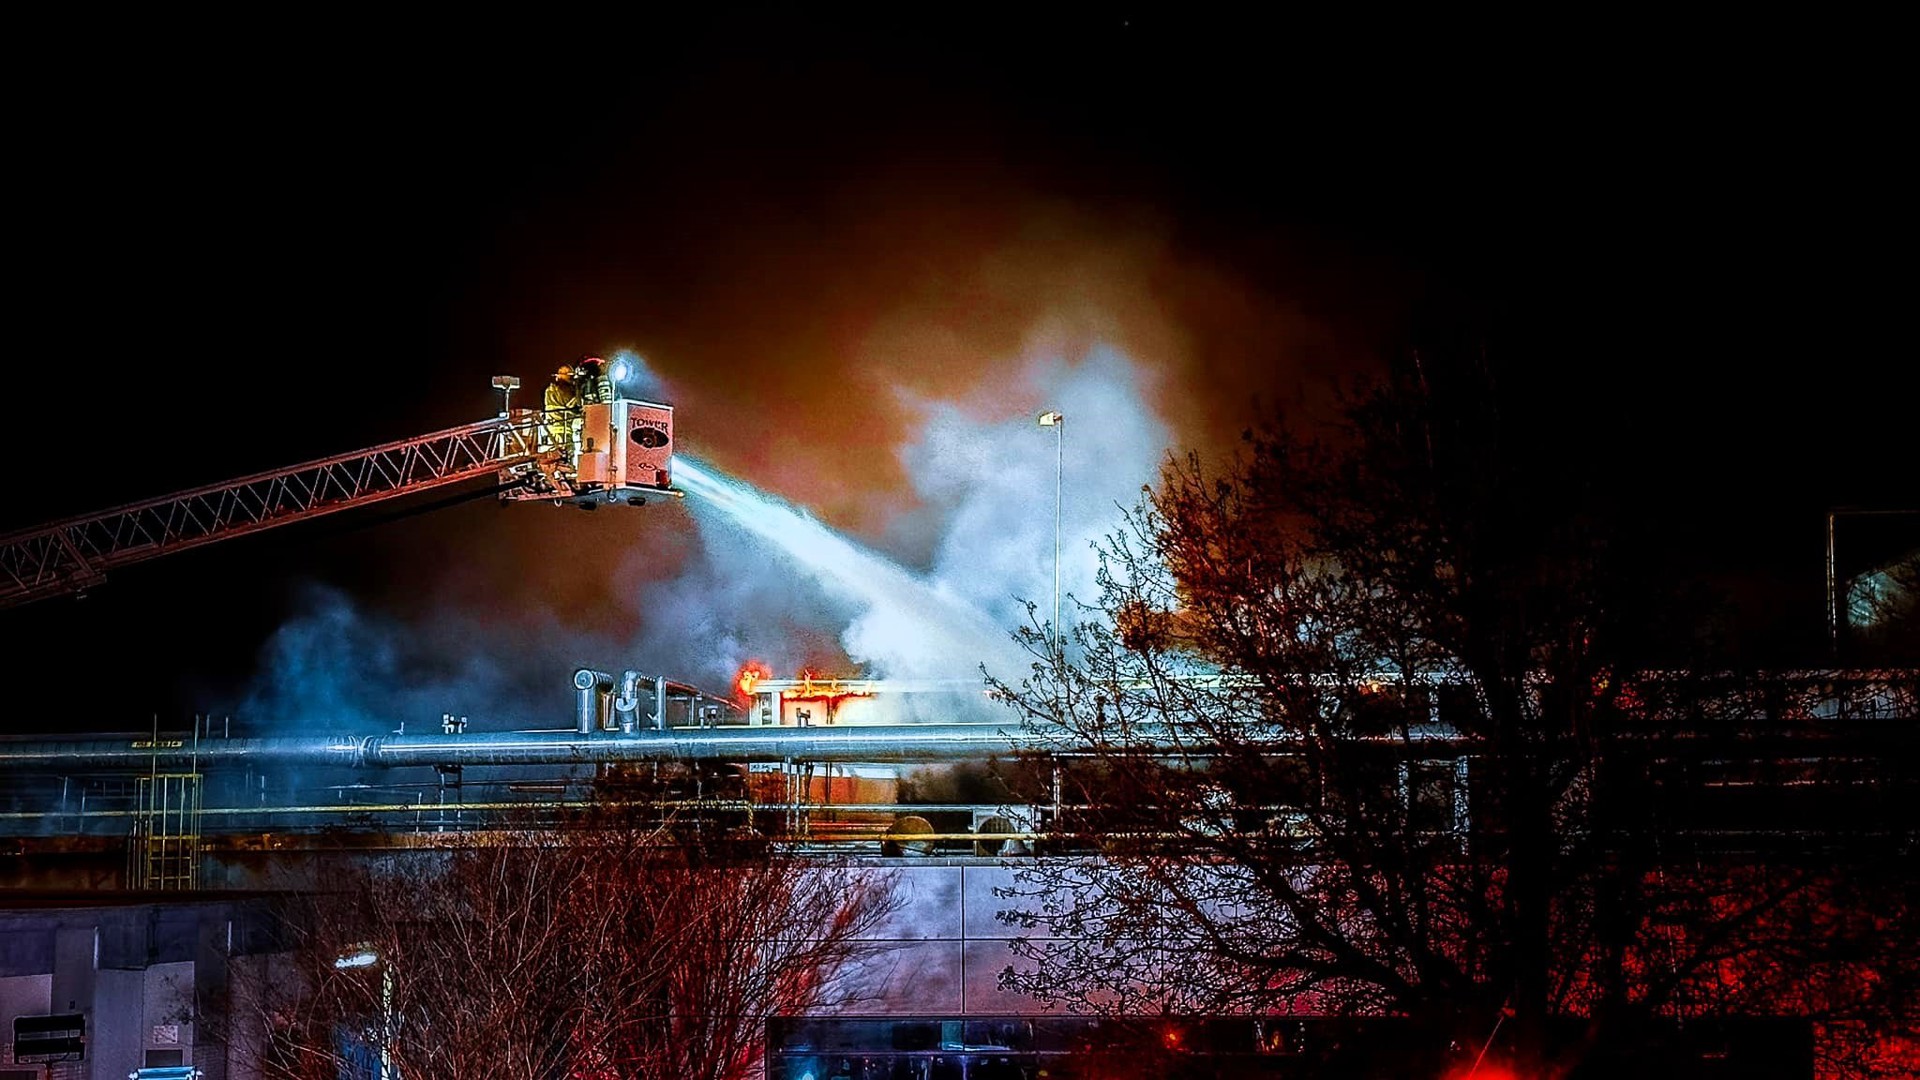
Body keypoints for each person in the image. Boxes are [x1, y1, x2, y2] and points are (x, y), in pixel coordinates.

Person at [543, 364, 580, 455]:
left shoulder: (550, 390)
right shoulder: (564, 390)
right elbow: (575, 406)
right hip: (563, 430)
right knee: (566, 454)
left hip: (553, 430)